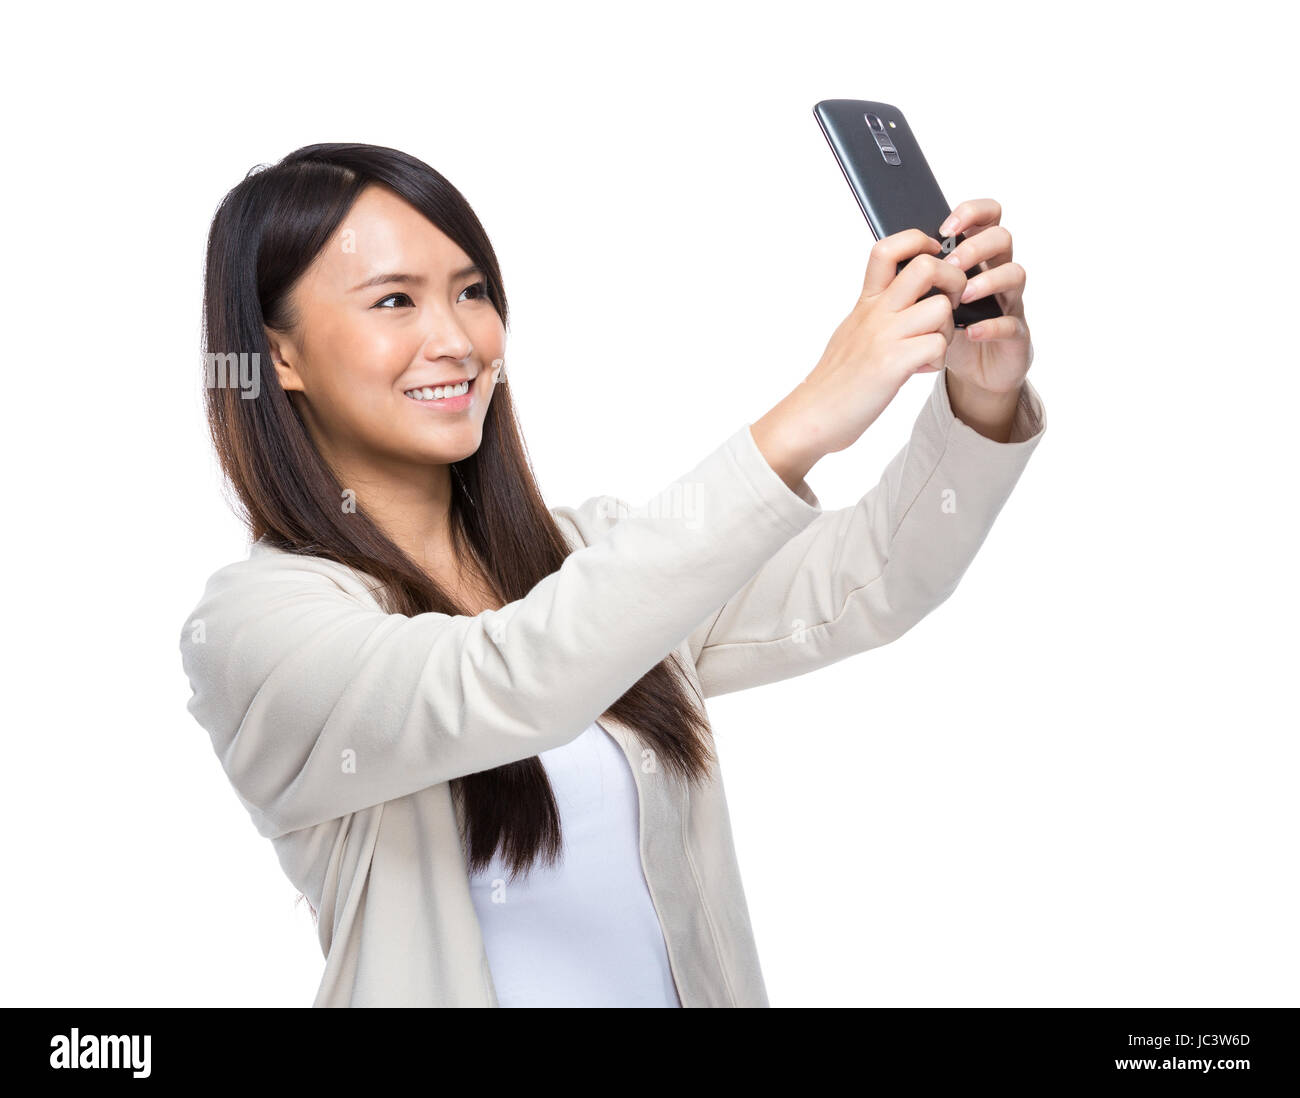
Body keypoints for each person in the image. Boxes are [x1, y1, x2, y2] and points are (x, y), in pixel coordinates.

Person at [179, 142, 1046, 1007]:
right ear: (278, 355)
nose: (456, 339)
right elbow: (515, 678)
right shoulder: (260, 630)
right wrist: (810, 413)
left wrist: (979, 399)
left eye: (472, 291)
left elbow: (867, 582)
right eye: (395, 300)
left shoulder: (591, 555)